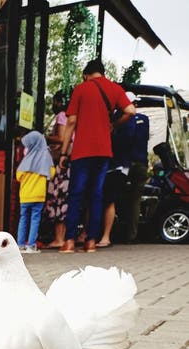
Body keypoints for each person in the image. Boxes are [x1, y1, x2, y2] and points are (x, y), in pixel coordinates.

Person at [57, 59, 135, 253]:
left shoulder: (81, 89)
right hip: (104, 151)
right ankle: (91, 241)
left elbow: (71, 122)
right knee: (96, 195)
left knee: (76, 195)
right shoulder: (115, 89)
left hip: (83, 150)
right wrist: (114, 125)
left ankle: (69, 242)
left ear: (86, 74)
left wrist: (64, 152)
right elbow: (130, 110)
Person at [97, 91, 150, 246]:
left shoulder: (119, 121)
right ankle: (131, 234)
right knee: (134, 200)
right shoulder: (144, 120)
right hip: (138, 163)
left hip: (122, 162)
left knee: (112, 197)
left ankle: (112, 232)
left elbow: (124, 138)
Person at [16, 130, 54, 253]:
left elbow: (18, 176)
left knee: (23, 219)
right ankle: (31, 245)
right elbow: (51, 173)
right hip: (39, 196)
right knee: (35, 219)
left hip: (25, 196)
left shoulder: (26, 160)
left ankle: (20, 244)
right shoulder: (45, 157)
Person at [45, 90, 71, 248]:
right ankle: (63, 236)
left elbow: (61, 139)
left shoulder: (62, 116)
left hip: (61, 162)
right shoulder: (72, 116)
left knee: (58, 198)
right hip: (70, 161)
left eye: (55, 101)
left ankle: (59, 238)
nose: (53, 105)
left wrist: (44, 137)